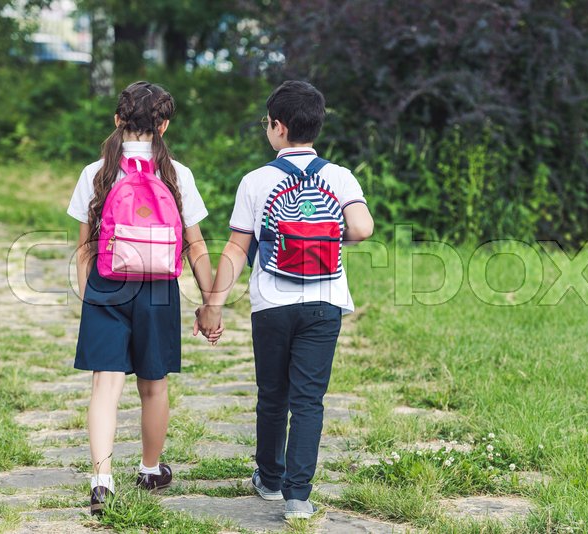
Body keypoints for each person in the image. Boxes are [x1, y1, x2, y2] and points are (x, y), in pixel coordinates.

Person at [194, 80, 374, 520]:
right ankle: (298, 498)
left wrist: (213, 304)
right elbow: (362, 228)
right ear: (316, 126)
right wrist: (327, 236)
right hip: (325, 302)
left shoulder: (256, 181)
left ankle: (271, 480)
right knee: (308, 400)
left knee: (272, 394)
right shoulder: (340, 176)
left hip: (271, 304)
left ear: (278, 127)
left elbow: (237, 249)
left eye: (267, 123)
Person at [67, 81, 221, 516]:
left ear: (118, 119)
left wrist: (89, 295)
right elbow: (196, 246)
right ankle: (150, 470)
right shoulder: (178, 175)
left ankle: (102, 481)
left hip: (107, 283)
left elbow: (84, 247)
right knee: (154, 385)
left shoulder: (95, 172)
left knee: (106, 385)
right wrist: (210, 303)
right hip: (158, 290)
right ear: (164, 125)